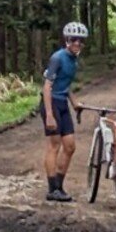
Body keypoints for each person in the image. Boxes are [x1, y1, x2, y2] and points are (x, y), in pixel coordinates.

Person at [39, 21, 88, 202]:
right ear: (67, 40)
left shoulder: (73, 61)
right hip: (50, 103)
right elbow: (47, 87)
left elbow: (65, 85)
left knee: (70, 146)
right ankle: (52, 189)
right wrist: (49, 115)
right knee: (54, 145)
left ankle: (59, 186)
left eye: (81, 41)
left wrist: (75, 103)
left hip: (63, 103)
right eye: (74, 39)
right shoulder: (57, 58)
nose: (77, 43)